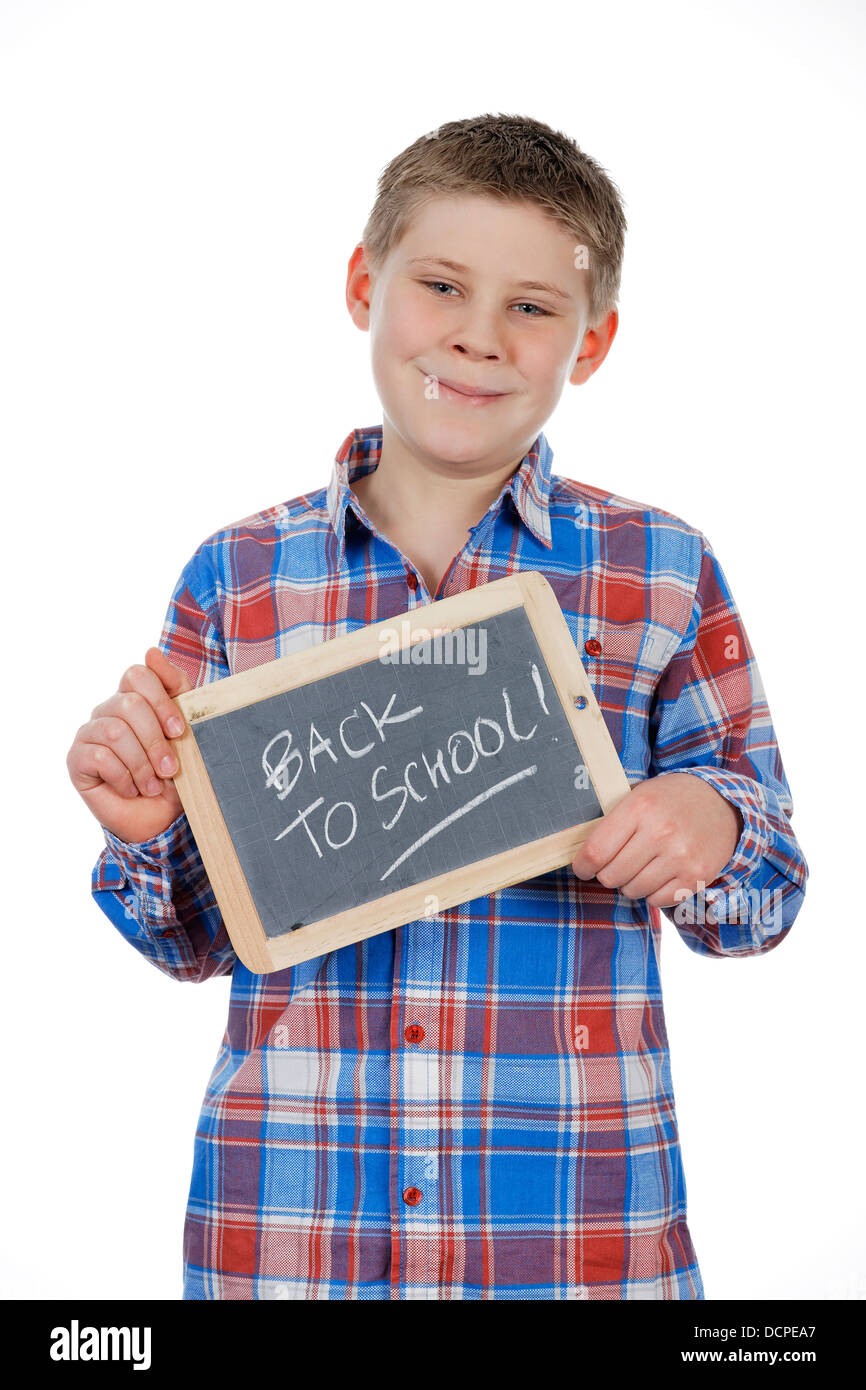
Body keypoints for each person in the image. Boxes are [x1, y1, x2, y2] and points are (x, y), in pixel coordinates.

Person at [67, 113, 807, 1300]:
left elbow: (762, 894)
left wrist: (710, 823)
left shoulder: (659, 569)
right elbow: (194, 936)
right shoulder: (235, 578)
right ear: (364, 286)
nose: (476, 338)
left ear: (593, 338)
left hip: (572, 1237)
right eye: (442, 285)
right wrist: (148, 827)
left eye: (531, 305)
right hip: (291, 1234)